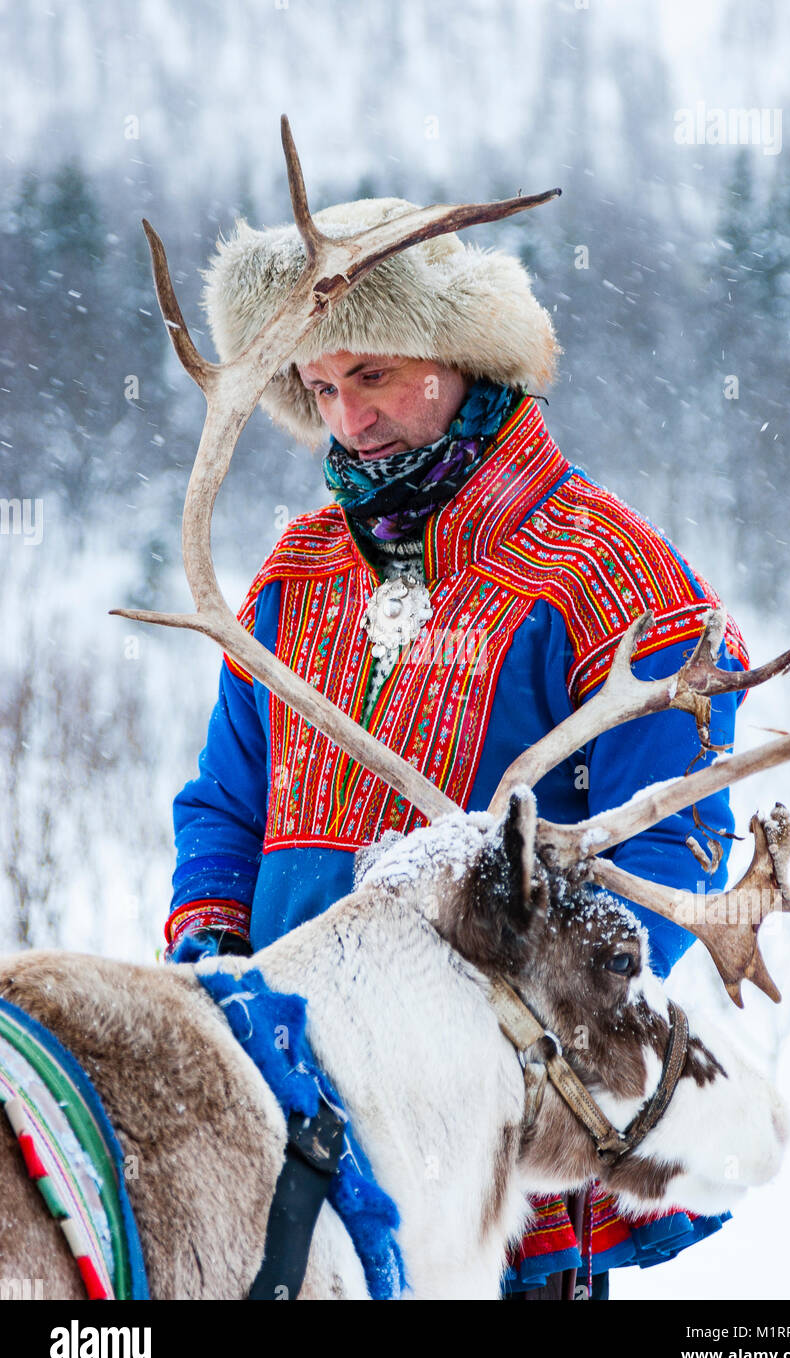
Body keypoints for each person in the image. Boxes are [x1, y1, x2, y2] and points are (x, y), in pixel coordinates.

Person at [163, 197, 749, 1298]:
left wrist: (551, 1018)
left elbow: (679, 844)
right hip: (294, 1094)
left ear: (457, 354)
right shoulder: (293, 571)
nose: (349, 419)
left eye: (374, 376)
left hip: (489, 1119)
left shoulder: (608, 573)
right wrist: (210, 965)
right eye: (320, 386)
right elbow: (226, 803)